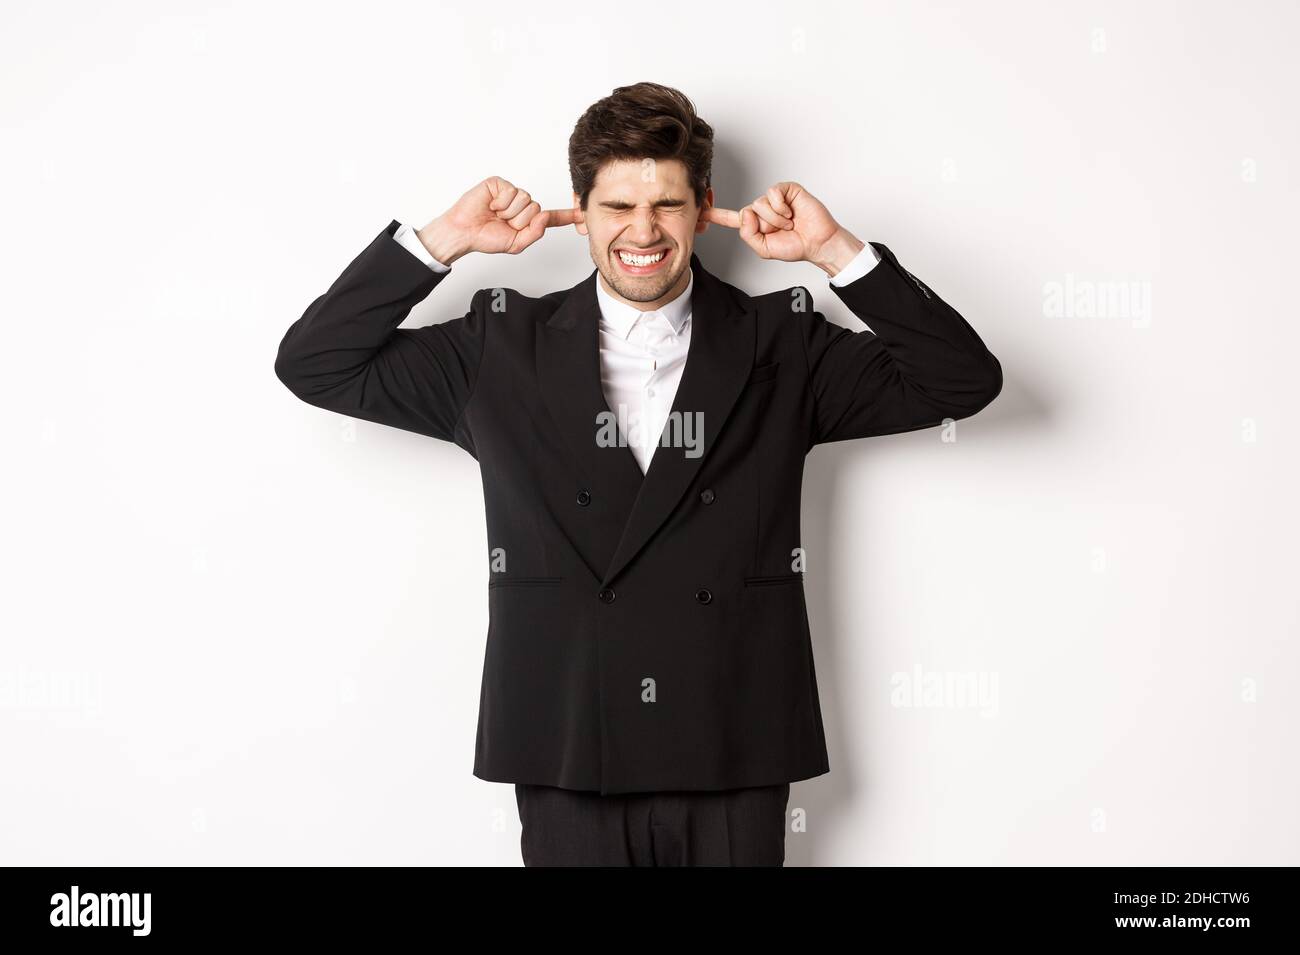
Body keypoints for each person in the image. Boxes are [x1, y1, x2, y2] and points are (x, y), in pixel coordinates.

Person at [274, 81, 1002, 866]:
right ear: (579, 210)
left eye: (667, 205)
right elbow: (315, 364)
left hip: (735, 741)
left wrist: (836, 253)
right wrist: (442, 240)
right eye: (617, 206)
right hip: (567, 746)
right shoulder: (499, 345)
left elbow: (962, 381)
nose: (643, 231)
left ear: (704, 208)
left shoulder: (782, 341)